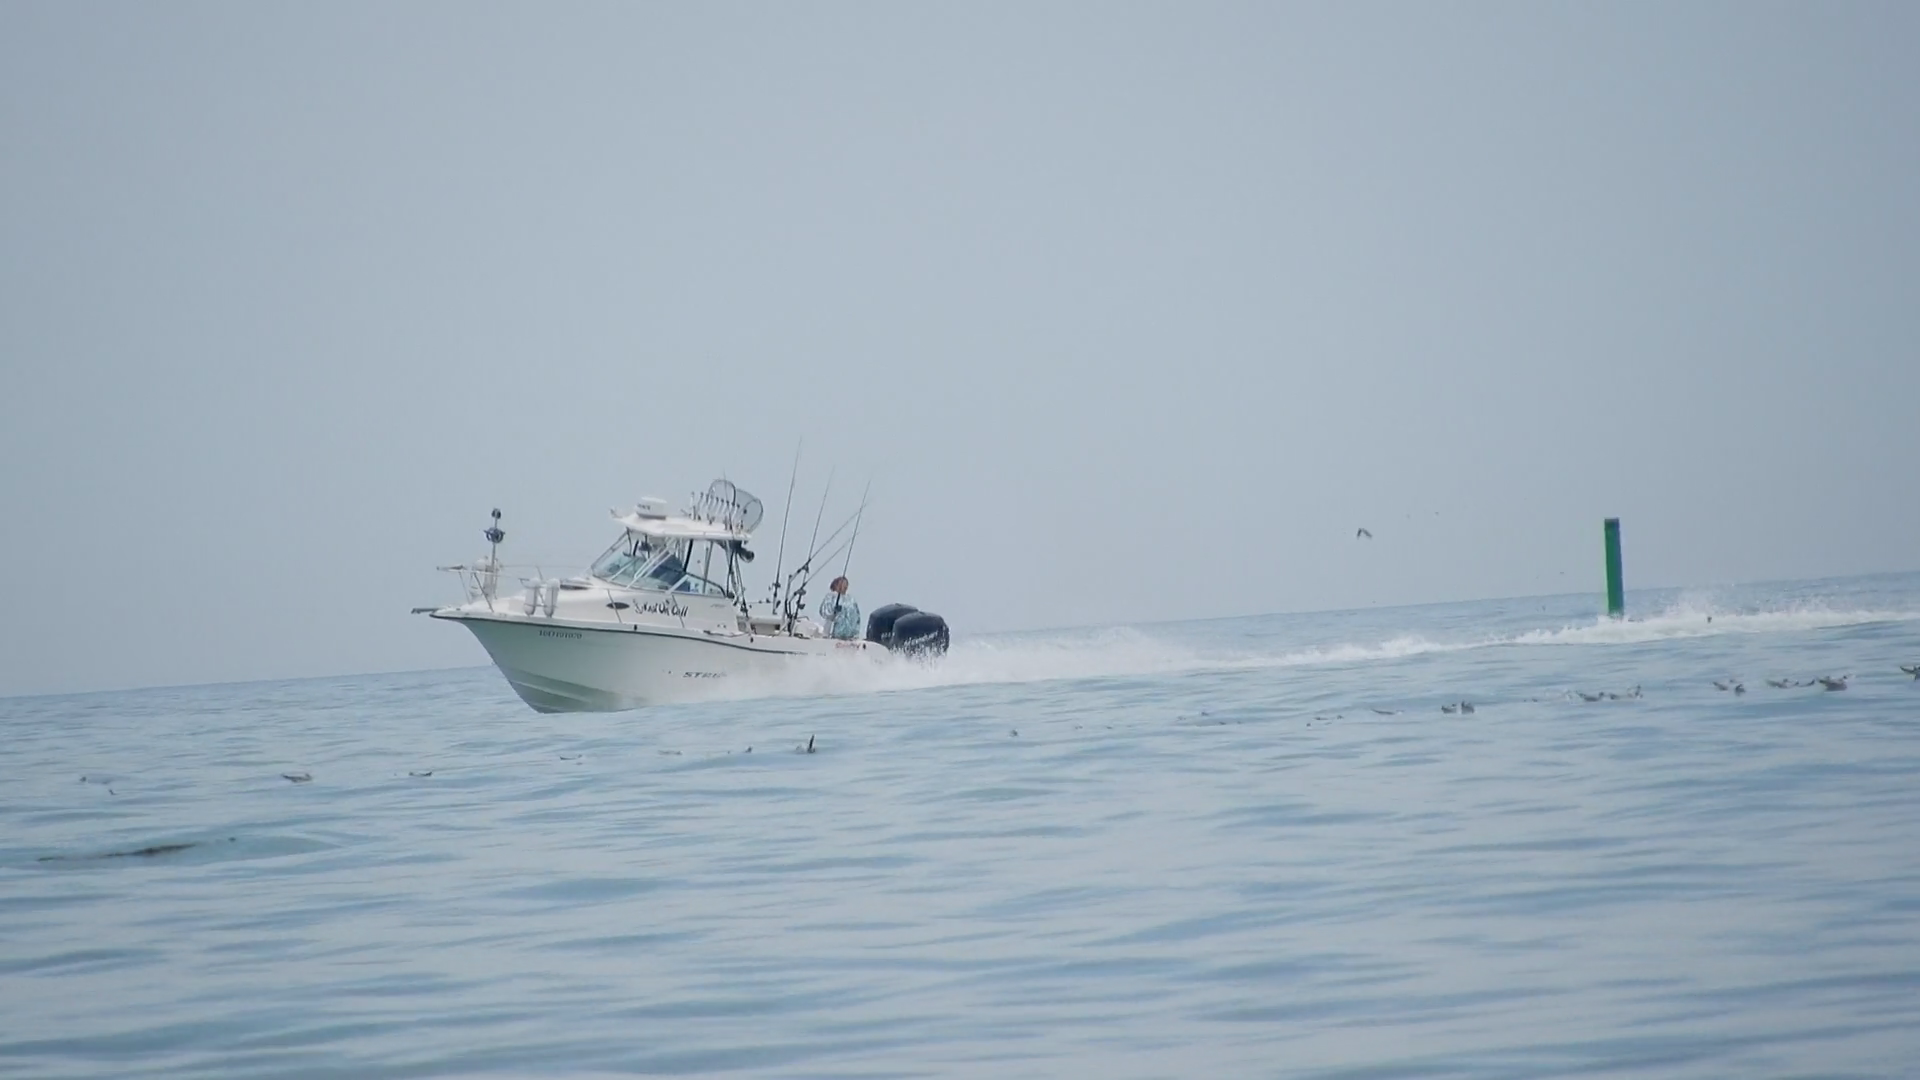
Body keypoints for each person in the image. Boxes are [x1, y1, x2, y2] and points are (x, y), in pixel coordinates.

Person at [818, 576, 862, 640]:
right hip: (833, 633)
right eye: (842, 584)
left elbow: (856, 616)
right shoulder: (831, 596)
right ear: (836, 585)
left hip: (849, 636)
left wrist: (855, 631)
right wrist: (834, 610)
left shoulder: (851, 599)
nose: (844, 586)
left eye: (846, 584)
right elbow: (824, 611)